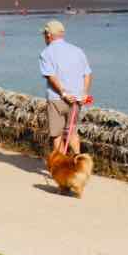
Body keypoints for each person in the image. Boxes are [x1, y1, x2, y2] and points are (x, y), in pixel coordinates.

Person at [38, 19, 92, 158]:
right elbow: (87, 74)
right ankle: (78, 161)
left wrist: (63, 93)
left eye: (44, 34)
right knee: (71, 132)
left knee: (56, 135)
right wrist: (84, 93)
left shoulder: (46, 53)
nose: (44, 37)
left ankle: (62, 165)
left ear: (49, 35)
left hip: (58, 99)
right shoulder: (77, 50)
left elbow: (51, 77)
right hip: (77, 99)